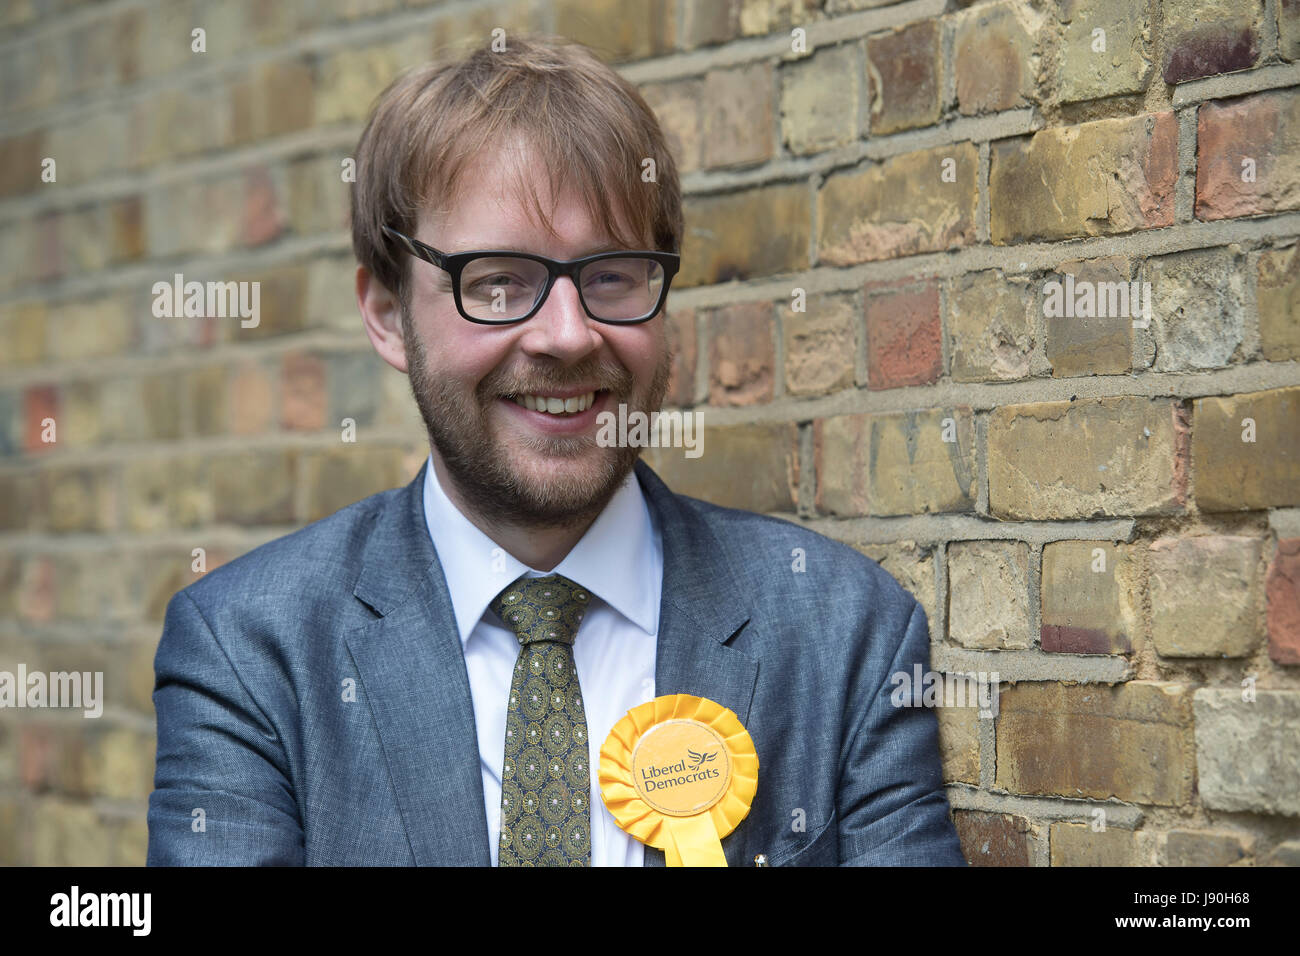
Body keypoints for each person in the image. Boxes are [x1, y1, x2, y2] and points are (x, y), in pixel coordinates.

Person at [147, 34, 966, 867]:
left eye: (612, 275)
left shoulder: (844, 631)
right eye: (498, 280)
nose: (569, 335)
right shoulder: (249, 651)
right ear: (389, 314)